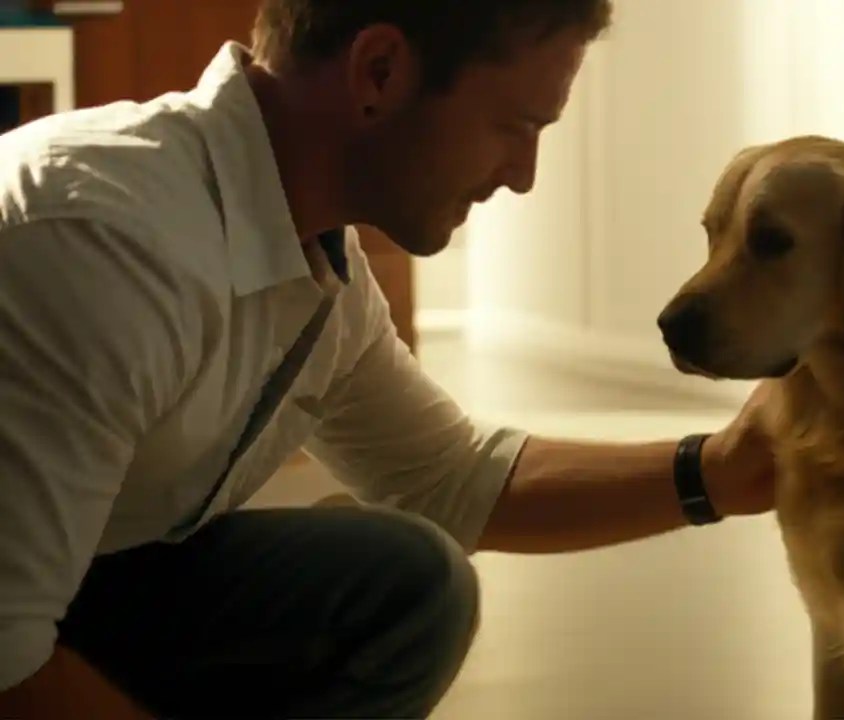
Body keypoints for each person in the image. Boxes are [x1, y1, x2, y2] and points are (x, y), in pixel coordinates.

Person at [0, 1, 777, 718]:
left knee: (404, 586)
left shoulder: (310, 260)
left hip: (83, 583)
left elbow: (448, 478)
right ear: (379, 73)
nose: (523, 175)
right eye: (514, 125)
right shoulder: (101, 245)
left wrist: (720, 470)